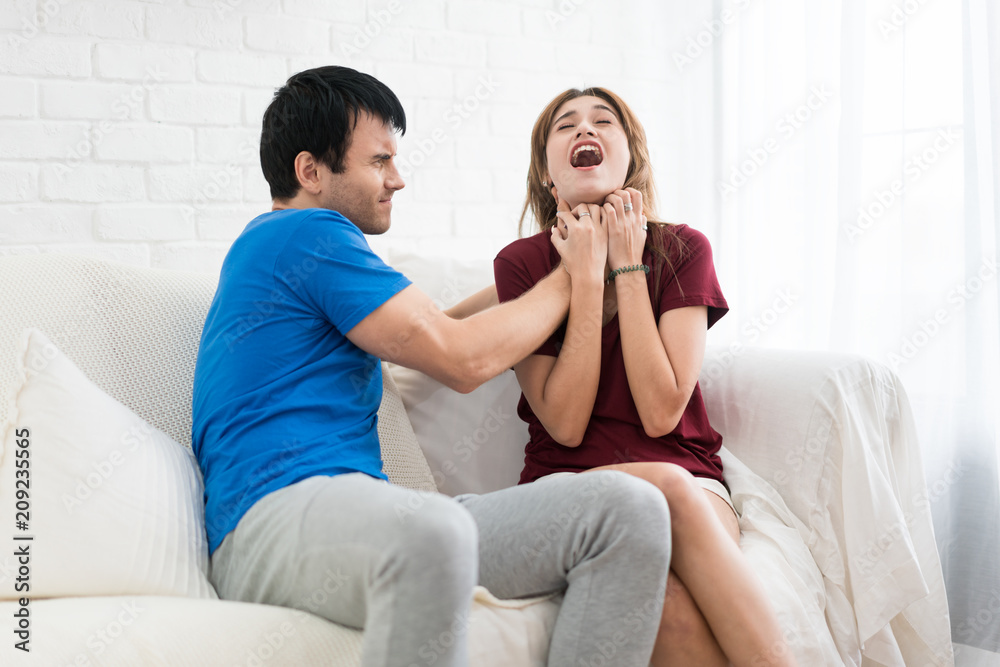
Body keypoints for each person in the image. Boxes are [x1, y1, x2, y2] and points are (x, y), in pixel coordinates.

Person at [192, 66, 673, 667]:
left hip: (372, 514)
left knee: (628, 511)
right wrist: (578, 271)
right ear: (310, 172)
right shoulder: (304, 234)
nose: (397, 179)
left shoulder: (311, 254)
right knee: (435, 532)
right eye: (379, 161)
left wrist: (565, 267)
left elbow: (445, 327)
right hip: (269, 524)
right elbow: (464, 358)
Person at [494, 87, 798, 667]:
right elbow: (565, 425)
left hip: (686, 475)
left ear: (630, 157)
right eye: (566, 125)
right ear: (547, 173)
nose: (585, 129)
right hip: (568, 480)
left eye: (603, 121)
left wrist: (627, 266)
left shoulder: (682, 249)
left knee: (677, 593)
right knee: (663, 605)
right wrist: (586, 279)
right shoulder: (521, 264)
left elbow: (661, 414)